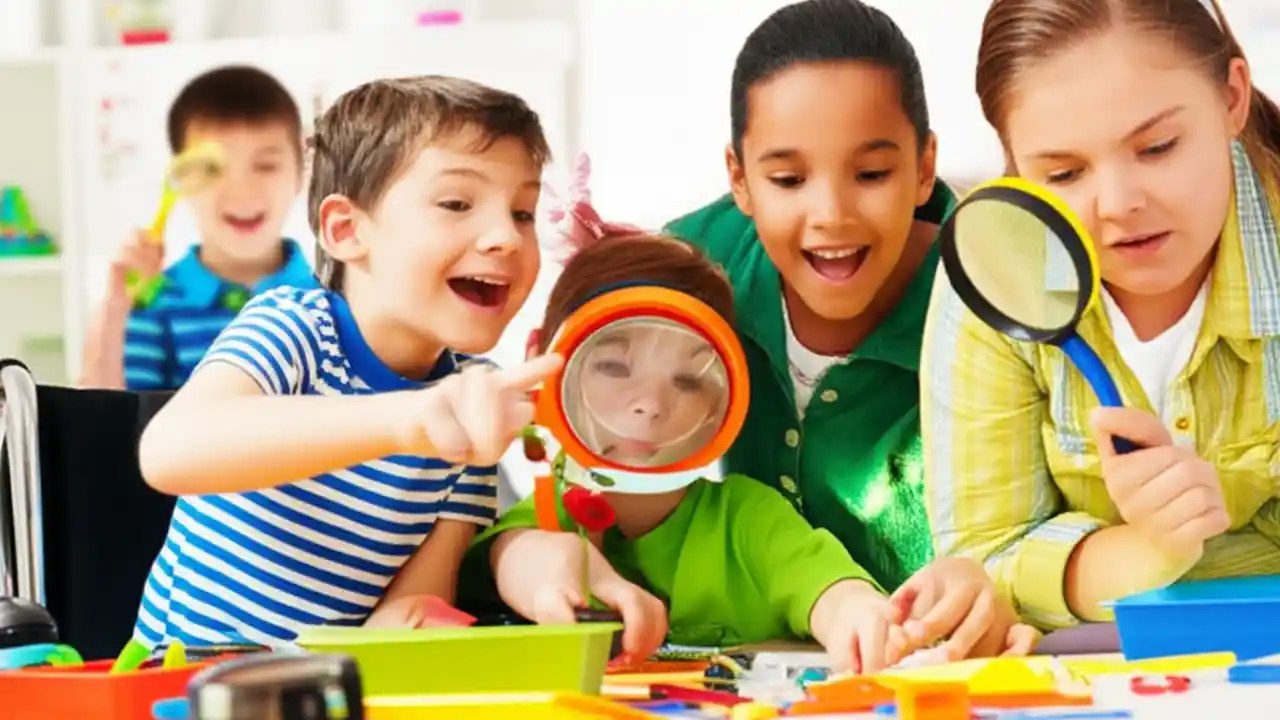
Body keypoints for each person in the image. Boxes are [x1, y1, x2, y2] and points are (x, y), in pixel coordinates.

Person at [459, 177, 1038, 673]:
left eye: (687, 381)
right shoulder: (544, 518)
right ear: (542, 366)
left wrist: (867, 620)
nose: (649, 405)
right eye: (612, 366)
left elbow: (832, 592)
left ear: (727, 395)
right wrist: (562, 571)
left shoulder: (748, 519)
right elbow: (519, 556)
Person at [128, 75, 562, 649]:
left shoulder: (470, 403)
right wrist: (408, 420)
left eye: (523, 212)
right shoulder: (295, 327)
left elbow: (415, 608)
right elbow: (169, 451)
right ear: (347, 229)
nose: (505, 237)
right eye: (457, 203)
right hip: (179, 681)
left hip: (326, 685)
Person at [665, 0, 1015, 656]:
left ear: (923, 167)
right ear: (740, 178)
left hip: (937, 665)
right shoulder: (693, 270)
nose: (831, 213)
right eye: (788, 178)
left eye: (872, 174)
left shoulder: (1000, 294)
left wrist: (1004, 588)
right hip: (757, 667)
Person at [922, 0, 1280, 631]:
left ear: (1232, 98)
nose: (1117, 204)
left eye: (1158, 147)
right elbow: (985, 562)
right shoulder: (994, 273)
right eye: (1064, 173)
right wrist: (1145, 551)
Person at [80, 65, 318, 391]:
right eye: (211, 169)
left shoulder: (337, 298)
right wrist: (113, 311)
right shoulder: (154, 307)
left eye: (266, 166)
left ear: (302, 173)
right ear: (181, 179)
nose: (242, 191)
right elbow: (109, 417)